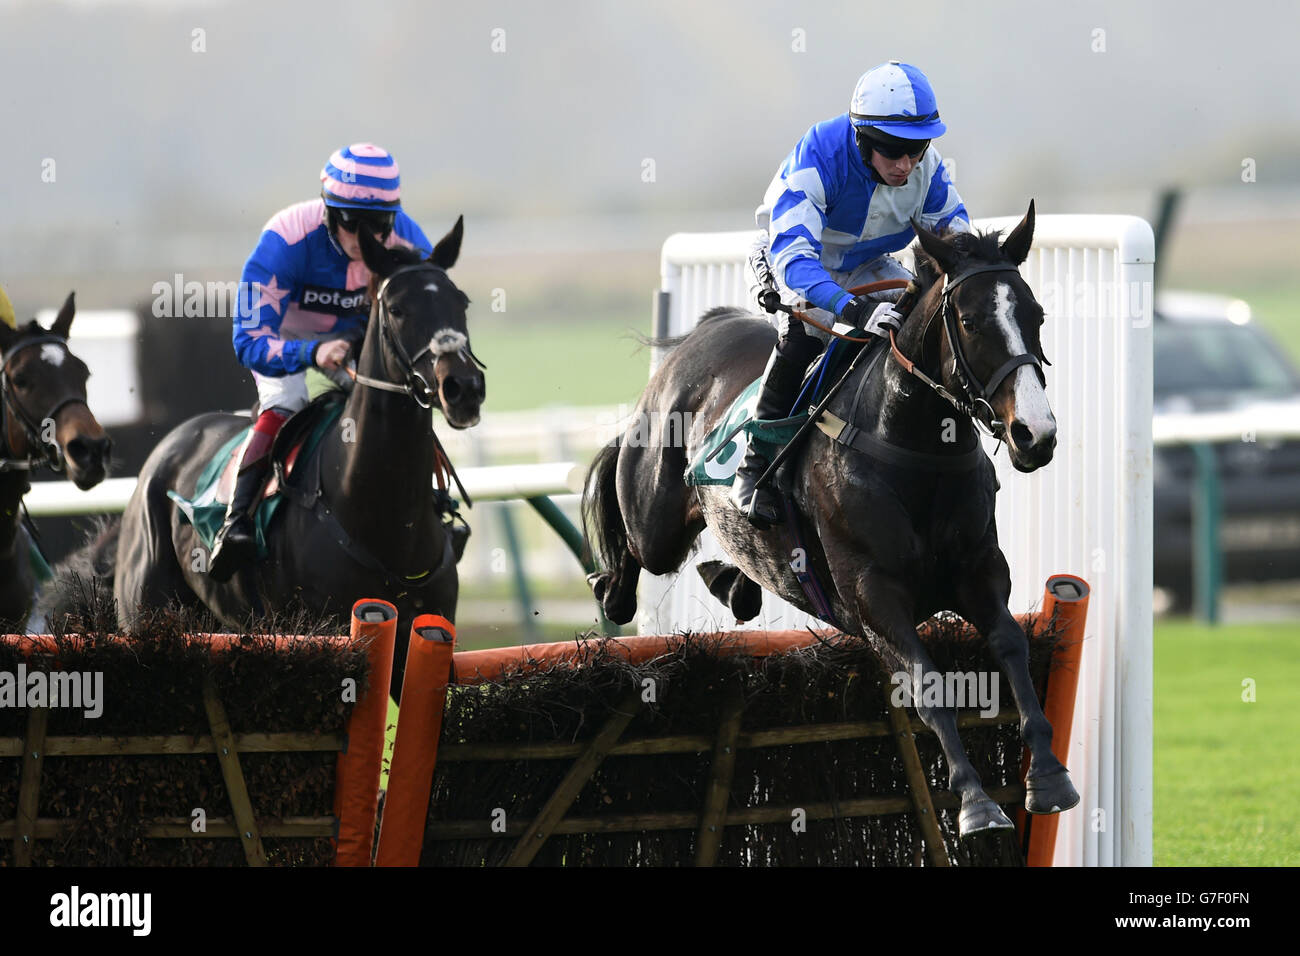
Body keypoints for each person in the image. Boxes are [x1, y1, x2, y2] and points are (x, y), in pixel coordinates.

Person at [732, 61, 971, 529]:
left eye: (917, 149)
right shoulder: (819, 153)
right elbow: (795, 260)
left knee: (917, 321)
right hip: (795, 259)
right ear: (862, 139)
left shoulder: (928, 169)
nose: (906, 165)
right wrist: (852, 309)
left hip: (865, 262)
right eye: (893, 150)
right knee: (806, 333)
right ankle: (755, 463)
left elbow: (956, 238)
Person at [208, 143, 435, 581]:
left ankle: (435, 505)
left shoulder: (408, 239)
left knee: (401, 401)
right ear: (329, 211)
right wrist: (310, 353)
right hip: (283, 337)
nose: (366, 237)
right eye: (352, 222)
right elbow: (249, 341)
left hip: (353, 339)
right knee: (286, 402)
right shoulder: (286, 237)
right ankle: (236, 521)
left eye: (379, 224)